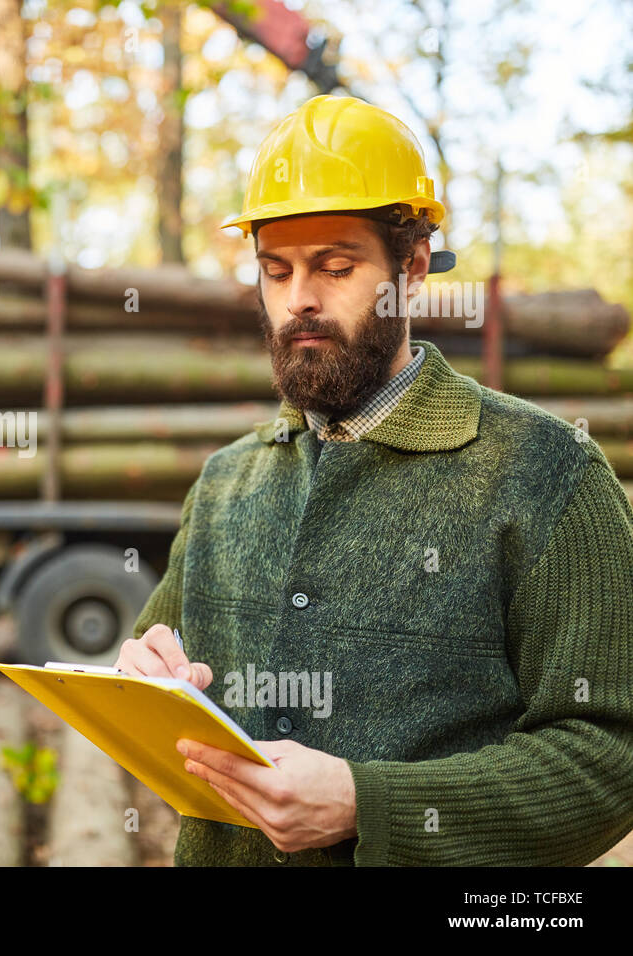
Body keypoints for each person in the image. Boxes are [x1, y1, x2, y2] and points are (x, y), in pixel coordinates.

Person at [117, 94, 633, 866]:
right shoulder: (227, 483)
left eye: (336, 266)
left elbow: (609, 752)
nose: (300, 300)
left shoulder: (544, 473)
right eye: (275, 270)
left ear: (413, 268)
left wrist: (371, 803)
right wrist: (141, 675)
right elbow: (155, 669)